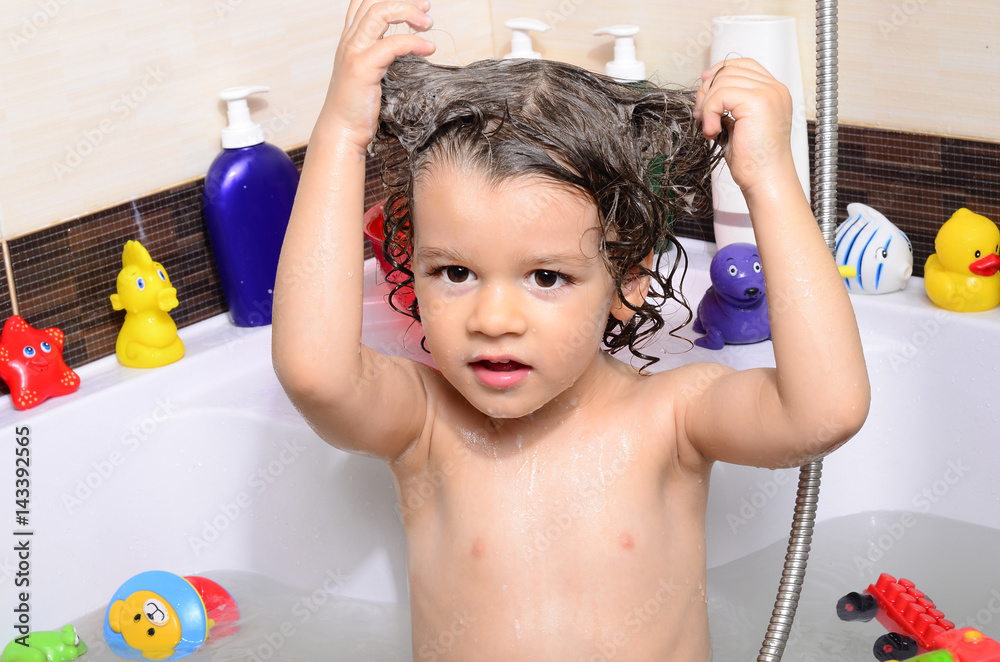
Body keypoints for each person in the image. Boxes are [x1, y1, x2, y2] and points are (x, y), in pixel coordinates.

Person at [272, 1, 871, 659]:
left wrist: (769, 177)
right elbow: (314, 371)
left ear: (627, 282)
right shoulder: (426, 427)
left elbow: (826, 412)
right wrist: (339, 135)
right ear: (411, 268)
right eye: (455, 272)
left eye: (547, 278)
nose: (493, 320)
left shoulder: (672, 418)